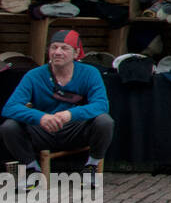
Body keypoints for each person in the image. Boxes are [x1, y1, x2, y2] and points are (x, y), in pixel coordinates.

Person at [1, 30, 113, 189]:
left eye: (64, 48)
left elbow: (101, 104)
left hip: (74, 128)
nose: (57, 52)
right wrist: (40, 117)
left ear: (76, 53)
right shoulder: (34, 75)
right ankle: (32, 170)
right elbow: (10, 107)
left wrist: (70, 114)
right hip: (43, 129)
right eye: (54, 47)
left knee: (104, 121)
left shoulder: (89, 73)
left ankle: (91, 167)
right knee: (9, 126)